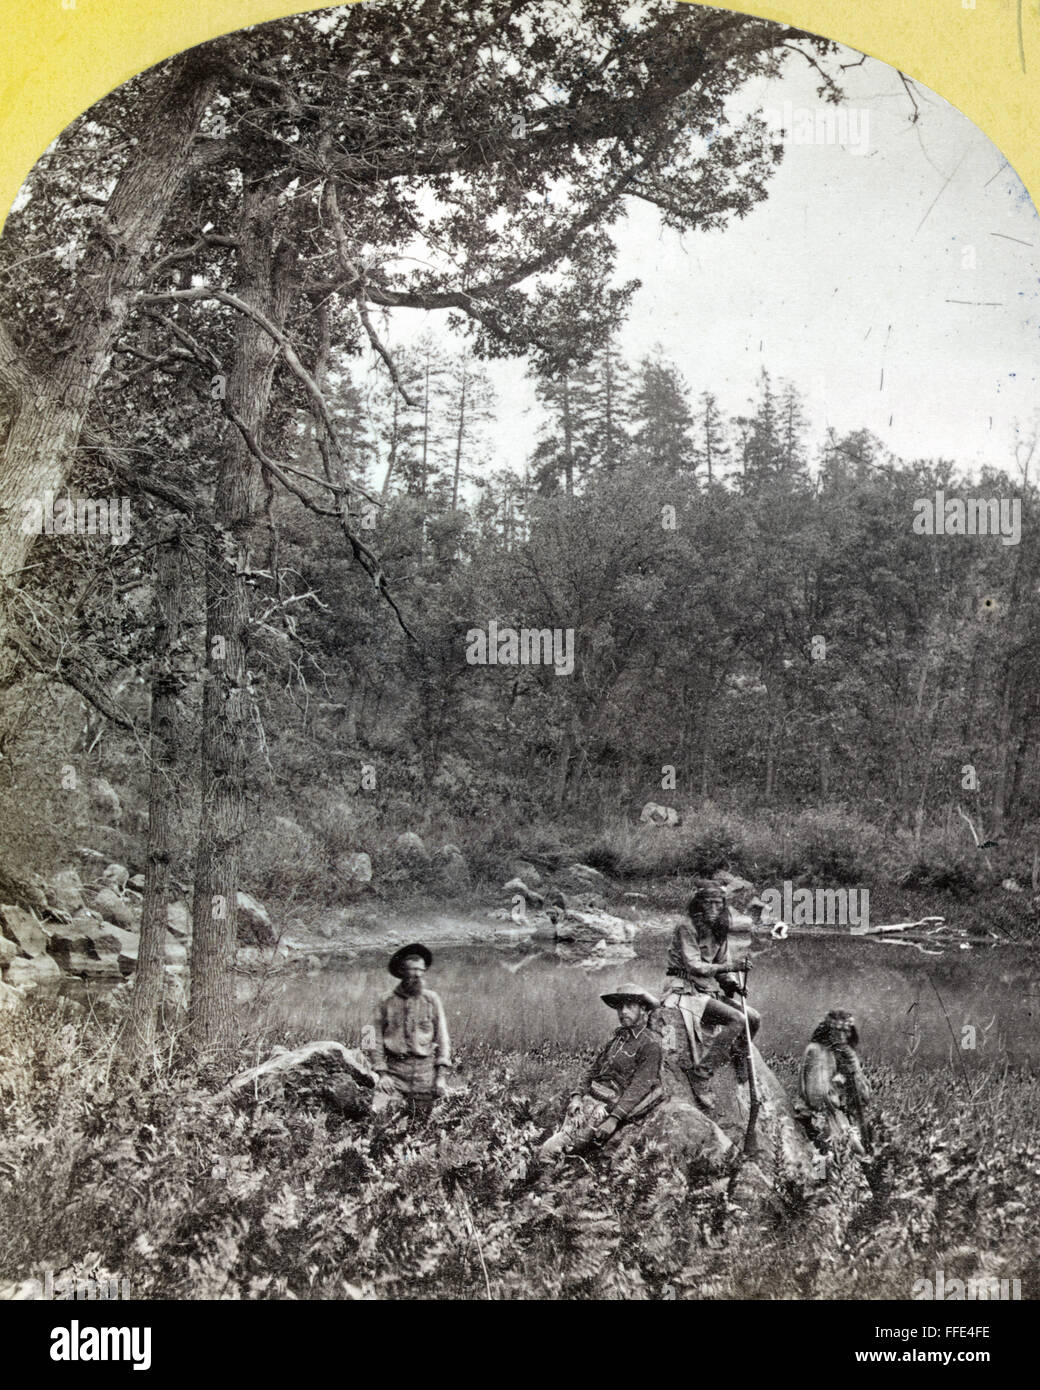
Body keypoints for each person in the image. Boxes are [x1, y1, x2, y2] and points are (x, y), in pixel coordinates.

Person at [659, 882, 760, 1113]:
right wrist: (731, 965)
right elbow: (694, 966)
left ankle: (738, 1054)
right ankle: (701, 1073)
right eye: (708, 903)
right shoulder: (687, 927)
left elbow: (722, 969)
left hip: (706, 990)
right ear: (698, 905)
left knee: (753, 1018)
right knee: (738, 1020)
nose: (714, 908)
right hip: (684, 989)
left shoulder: (721, 930)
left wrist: (733, 982)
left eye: (718, 903)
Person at [537, 983, 663, 1161]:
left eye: (630, 1006)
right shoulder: (618, 1038)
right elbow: (593, 1070)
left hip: (605, 1108)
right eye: (620, 1007)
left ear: (643, 1009)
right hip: (585, 1102)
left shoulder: (650, 1045)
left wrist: (613, 1119)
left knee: (551, 1150)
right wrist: (577, 1096)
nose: (623, 1011)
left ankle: (544, 1180)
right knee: (560, 1149)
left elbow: (639, 1087)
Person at [364, 943, 451, 1112]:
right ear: (402, 972)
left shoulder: (432, 999)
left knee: (420, 1125)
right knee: (379, 1117)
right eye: (412, 970)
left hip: (425, 1074)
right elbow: (370, 1036)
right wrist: (381, 1074)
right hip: (394, 1073)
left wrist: (440, 1077)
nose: (418, 975)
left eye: (421, 970)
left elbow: (443, 1037)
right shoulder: (385, 1000)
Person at [794, 1009, 871, 1156]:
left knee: (856, 1152)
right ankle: (821, 1177)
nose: (842, 1037)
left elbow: (864, 1096)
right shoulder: (818, 1052)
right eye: (837, 1031)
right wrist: (838, 1091)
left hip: (839, 1113)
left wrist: (854, 1069)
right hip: (820, 1115)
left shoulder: (843, 1053)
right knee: (827, 1156)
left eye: (846, 1031)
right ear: (828, 1031)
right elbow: (816, 1095)